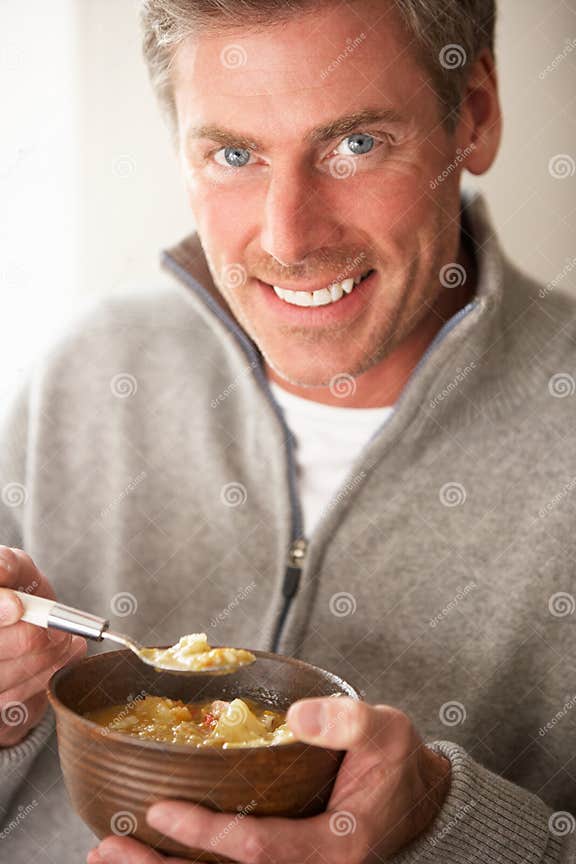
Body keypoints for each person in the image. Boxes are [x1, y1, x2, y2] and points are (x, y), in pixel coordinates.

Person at [1, 0, 574, 861]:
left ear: (477, 115)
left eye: (355, 144)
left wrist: (443, 827)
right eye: (234, 154)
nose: (289, 237)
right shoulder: (87, 371)